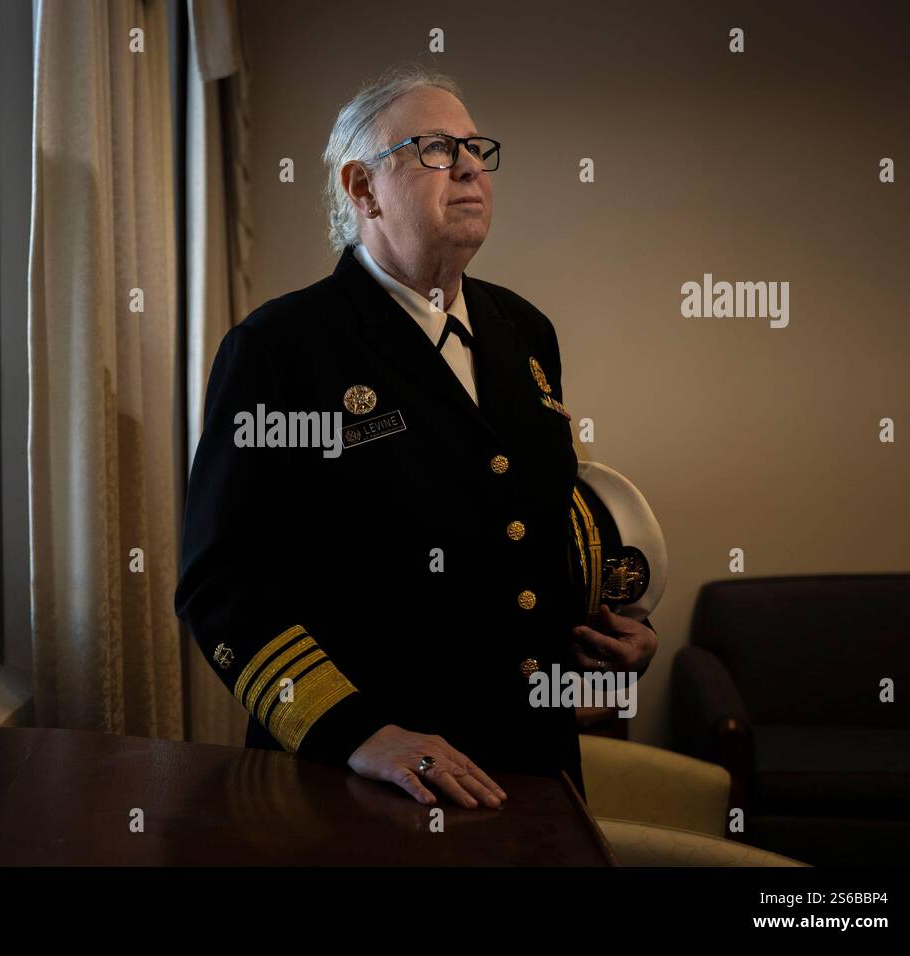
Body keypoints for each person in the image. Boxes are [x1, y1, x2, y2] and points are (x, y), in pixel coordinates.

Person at [175, 64, 657, 810]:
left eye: (475, 148)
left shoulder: (524, 331)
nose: (469, 166)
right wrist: (358, 733)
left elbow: (523, 531)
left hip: (532, 762)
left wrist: (610, 635)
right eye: (435, 148)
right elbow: (223, 586)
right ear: (362, 188)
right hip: (366, 784)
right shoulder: (282, 348)